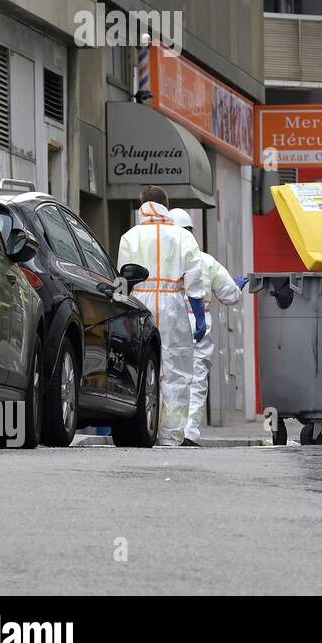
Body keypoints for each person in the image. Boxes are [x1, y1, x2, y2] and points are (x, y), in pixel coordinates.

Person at [117, 185, 206, 447]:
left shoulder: (130, 237)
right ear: (166, 205)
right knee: (177, 372)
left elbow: (124, 279)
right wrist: (199, 318)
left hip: (140, 304)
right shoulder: (183, 237)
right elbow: (195, 282)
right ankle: (171, 436)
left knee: (142, 366)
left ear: (141, 204)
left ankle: (144, 428)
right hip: (173, 306)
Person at [168, 208, 248, 446]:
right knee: (196, 380)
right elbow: (230, 296)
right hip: (197, 327)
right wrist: (237, 285)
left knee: (168, 378)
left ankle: (167, 430)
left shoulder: (163, 262)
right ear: (191, 232)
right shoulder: (205, 261)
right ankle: (189, 432)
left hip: (170, 325)